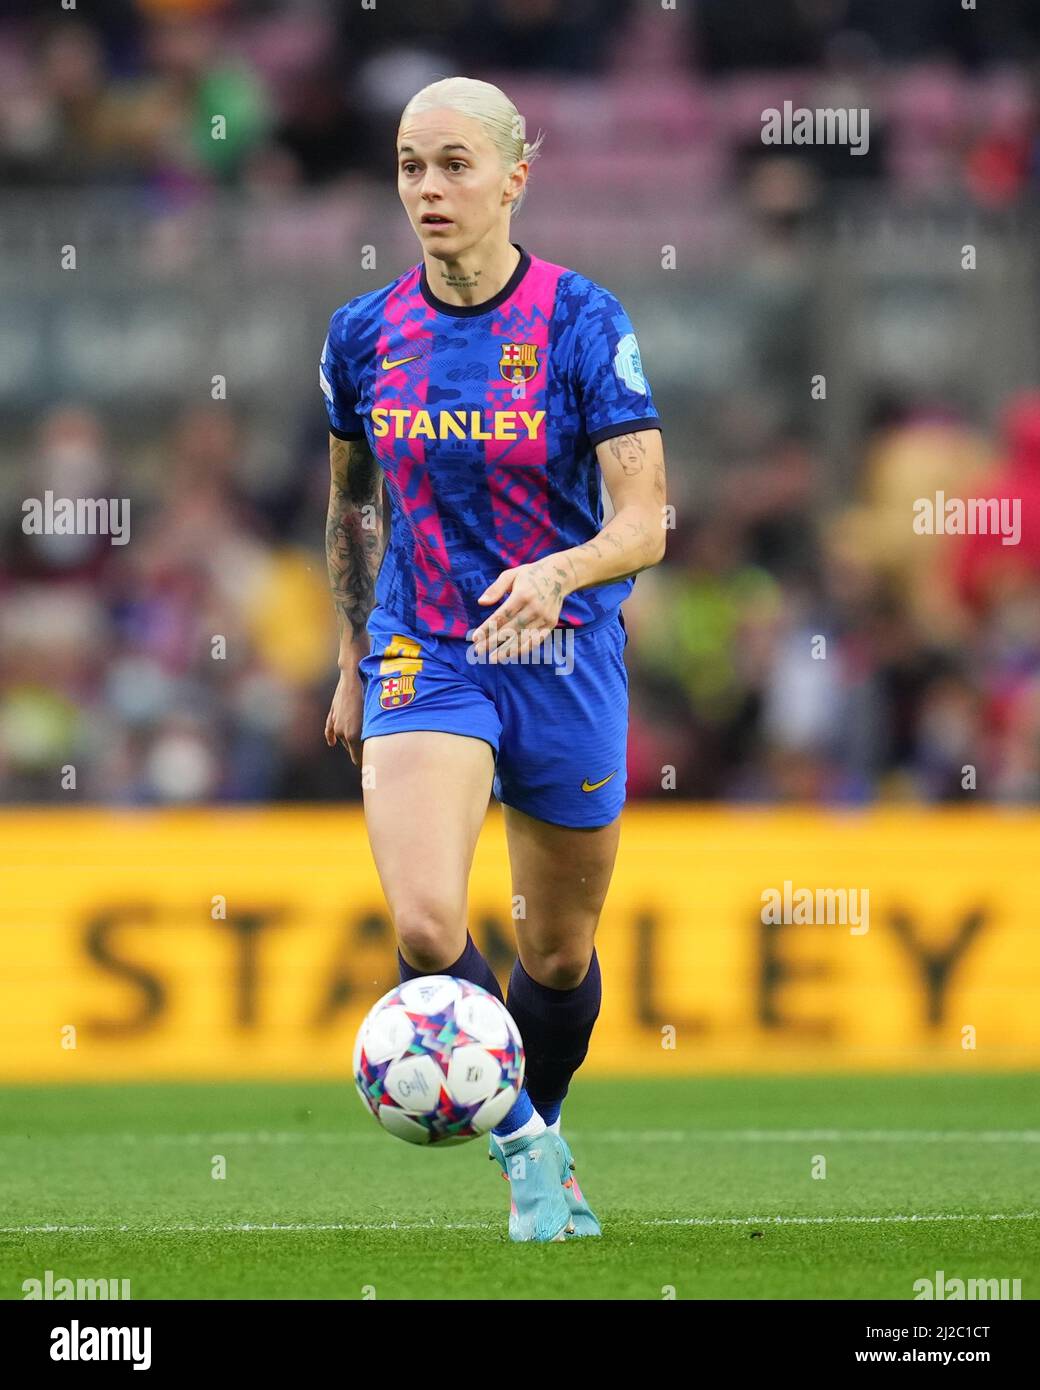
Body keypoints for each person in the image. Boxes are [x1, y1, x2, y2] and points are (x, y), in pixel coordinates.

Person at [322, 76, 666, 1242]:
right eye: (413, 165)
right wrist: (347, 658)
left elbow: (646, 522)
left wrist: (558, 573)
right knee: (425, 925)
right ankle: (523, 1145)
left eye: (455, 165)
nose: (429, 187)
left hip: (565, 653)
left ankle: (544, 1111)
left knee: (555, 953)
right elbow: (350, 512)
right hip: (426, 649)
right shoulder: (361, 335)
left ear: (515, 177)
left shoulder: (580, 320)